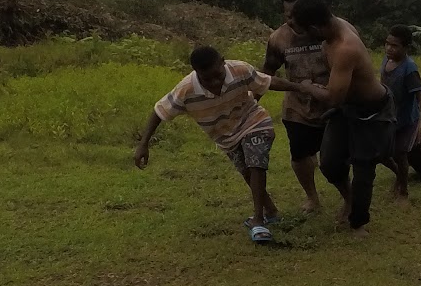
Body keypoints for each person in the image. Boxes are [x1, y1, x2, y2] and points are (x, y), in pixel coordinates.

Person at [133, 45, 313, 244]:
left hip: (253, 121)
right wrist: (143, 144)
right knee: (247, 172)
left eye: (218, 75)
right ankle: (270, 211)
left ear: (223, 62)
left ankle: (258, 220)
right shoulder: (186, 89)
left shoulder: (240, 70)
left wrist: (301, 87)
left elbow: (268, 82)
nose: (215, 82)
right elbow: (159, 112)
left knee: (256, 163)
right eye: (206, 79)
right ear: (196, 73)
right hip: (225, 137)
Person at [287, 0, 395, 237]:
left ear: (314, 27)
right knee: (329, 162)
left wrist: (308, 87)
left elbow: (333, 97)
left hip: (372, 111)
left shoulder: (345, 46)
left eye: (305, 31)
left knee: (363, 167)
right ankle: (350, 199)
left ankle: (358, 223)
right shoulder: (334, 30)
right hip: (347, 108)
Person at [262, 0, 331, 213]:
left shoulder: (327, 32)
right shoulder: (278, 38)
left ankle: (348, 196)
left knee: (335, 158)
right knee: (300, 156)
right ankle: (312, 197)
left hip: (332, 106)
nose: (291, 21)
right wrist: (251, 100)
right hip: (297, 109)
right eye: (287, 15)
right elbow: (267, 74)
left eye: (295, 15)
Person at [380, 25, 421, 201]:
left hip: (406, 120)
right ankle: (399, 175)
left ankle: (403, 192)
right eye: (387, 44)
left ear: (405, 47)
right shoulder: (386, 60)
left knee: (400, 154)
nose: (389, 48)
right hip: (388, 116)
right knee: (381, 153)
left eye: (394, 46)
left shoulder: (409, 69)